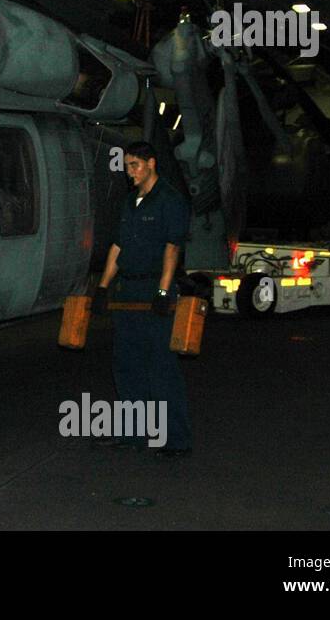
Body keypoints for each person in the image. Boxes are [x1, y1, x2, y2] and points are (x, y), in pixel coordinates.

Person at [92, 140, 193, 458]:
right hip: (128, 291)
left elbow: (171, 249)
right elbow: (118, 247)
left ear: (151, 163)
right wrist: (103, 287)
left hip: (153, 290)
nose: (129, 173)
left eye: (134, 165)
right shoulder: (130, 201)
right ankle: (133, 434)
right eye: (126, 167)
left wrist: (163, 292)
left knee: (161, 366)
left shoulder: (170, 200)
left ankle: (175, 439)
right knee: (127, 365)